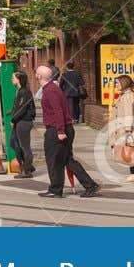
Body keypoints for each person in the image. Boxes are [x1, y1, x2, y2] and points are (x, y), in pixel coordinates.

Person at [36, 63, 97, 199]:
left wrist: (60, 130)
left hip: (57, 130)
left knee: (54, 160)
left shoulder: (50, 90)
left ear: (39, 76)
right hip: (62, 128)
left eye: (36, 73)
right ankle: (90, 185)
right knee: (68, 161)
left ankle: (56, 189)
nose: (35, 75)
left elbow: (58, 111)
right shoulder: (52, 88)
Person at [105, 74, 134, 177]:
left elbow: (128, 113)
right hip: (124, 128)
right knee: (130, 150)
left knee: (131, 150)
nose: (116, 85)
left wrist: (128, 130)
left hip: (127, 129)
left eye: (117, 83)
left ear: (124, 83)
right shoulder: (125, 95)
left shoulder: (127, 96)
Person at [8, 69, 36, 179]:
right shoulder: (19, 90)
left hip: (23, 121)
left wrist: (13, 119)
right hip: (19, 120)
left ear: (19, 79)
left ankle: (27, 170)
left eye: (13, 78)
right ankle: (27, 164)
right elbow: (19, 106)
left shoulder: (25, 91)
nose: (12, 79)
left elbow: (23, 109)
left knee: (25, 147)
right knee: (13, 143)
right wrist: (12, 111)